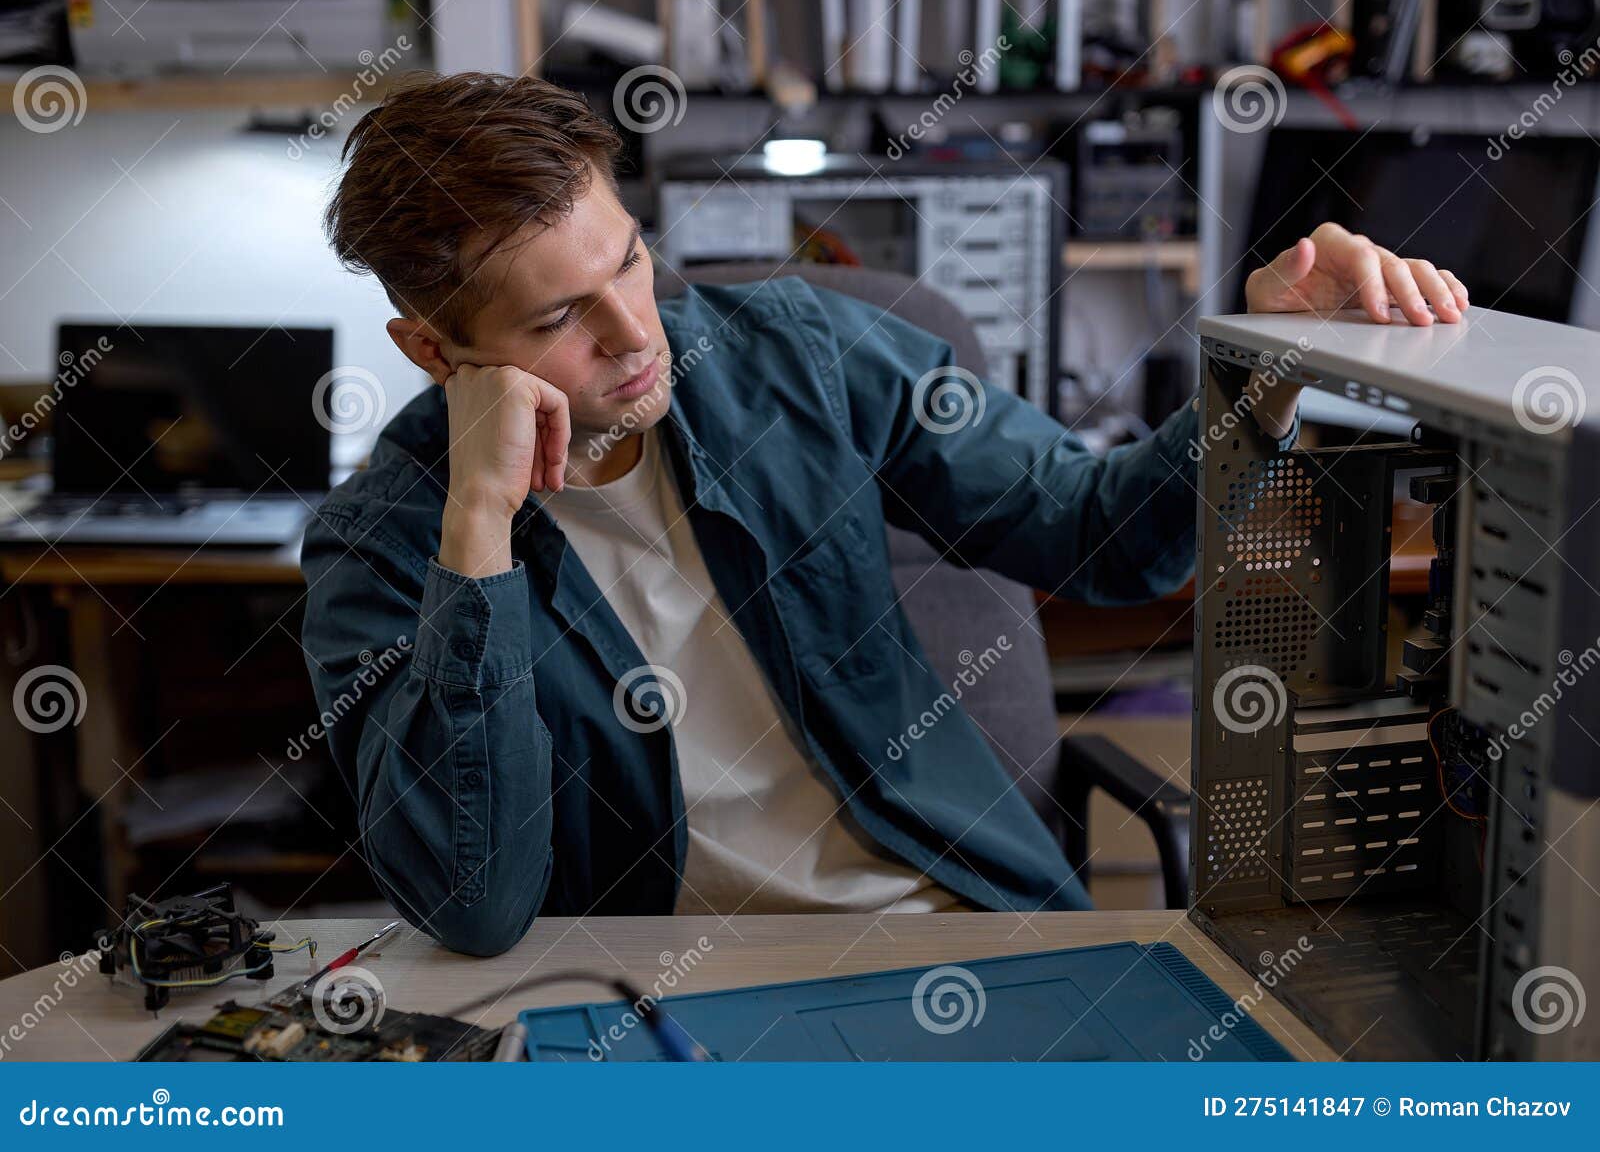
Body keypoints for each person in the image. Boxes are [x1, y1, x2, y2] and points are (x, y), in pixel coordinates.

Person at [301, 72, 1470, 955]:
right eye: (560, 317)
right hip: (655, 996)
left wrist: (1253, 366)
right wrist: (480, 533)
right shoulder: (385, 544)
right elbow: (475, 903)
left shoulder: (793, 352)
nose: (634, 332)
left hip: (950, 923)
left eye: (631, 261)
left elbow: (1101, 538)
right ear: (433, 350)